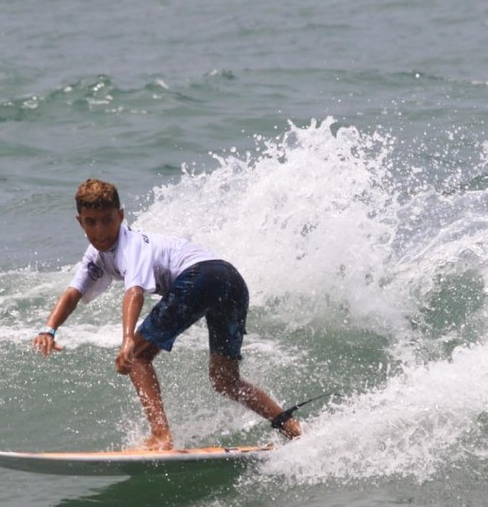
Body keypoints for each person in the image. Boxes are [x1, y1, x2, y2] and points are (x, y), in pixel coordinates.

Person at [33, 178, 302, 451]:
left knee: (137, 355)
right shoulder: (95, 256)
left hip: (203, 276)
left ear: (121, 216)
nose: (100, 230)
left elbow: (134, 292)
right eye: (91, 222)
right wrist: (49, 329)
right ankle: (290, 427)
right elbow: (73, 293)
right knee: (224, 379)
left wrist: (128, 339)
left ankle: (161, 436)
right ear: (80, 222)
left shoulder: (131, 245)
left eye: (107, 220)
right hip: (230, 280)